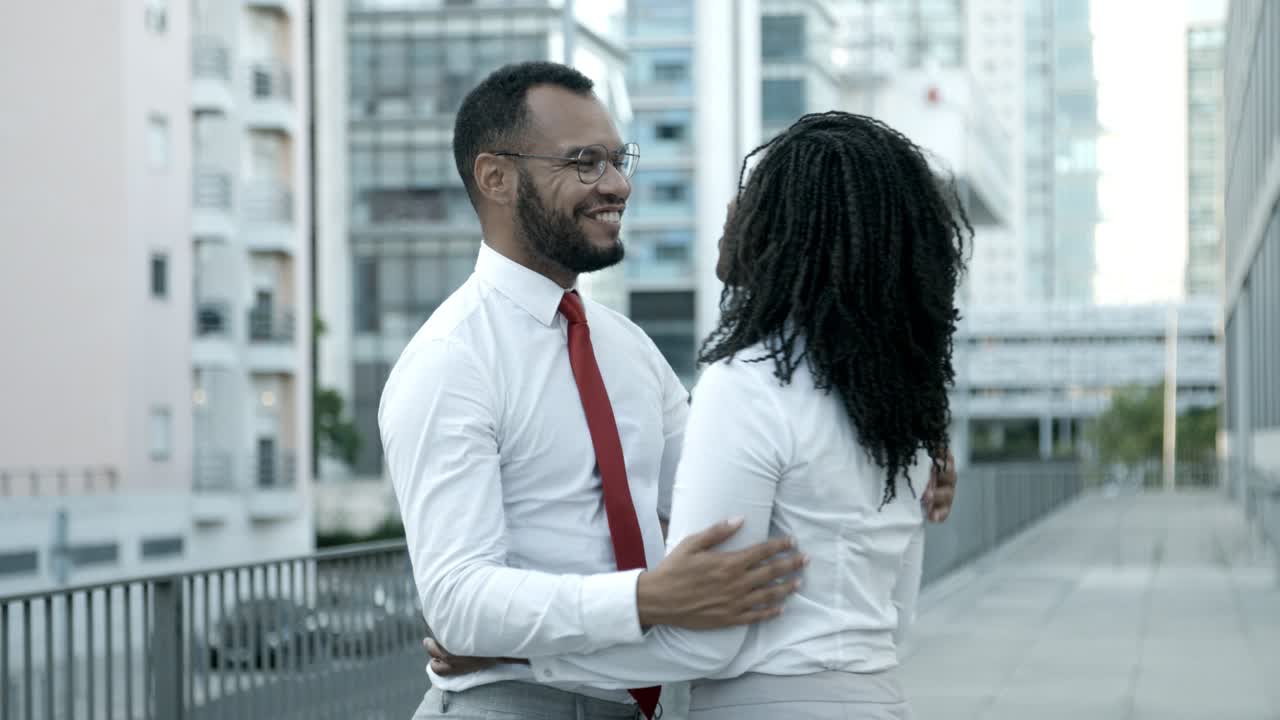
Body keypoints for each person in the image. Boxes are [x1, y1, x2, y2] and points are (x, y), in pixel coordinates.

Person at [382, 60, 957, 720]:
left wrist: (894, 457)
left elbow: (754, 505)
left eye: (618, 159)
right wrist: (645, 600)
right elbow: (454, 601)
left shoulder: (631, 352)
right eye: (586, 163)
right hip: (508, 703)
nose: (619, 184)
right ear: (496, 178)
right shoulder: (449, 360)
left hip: (634, 702)